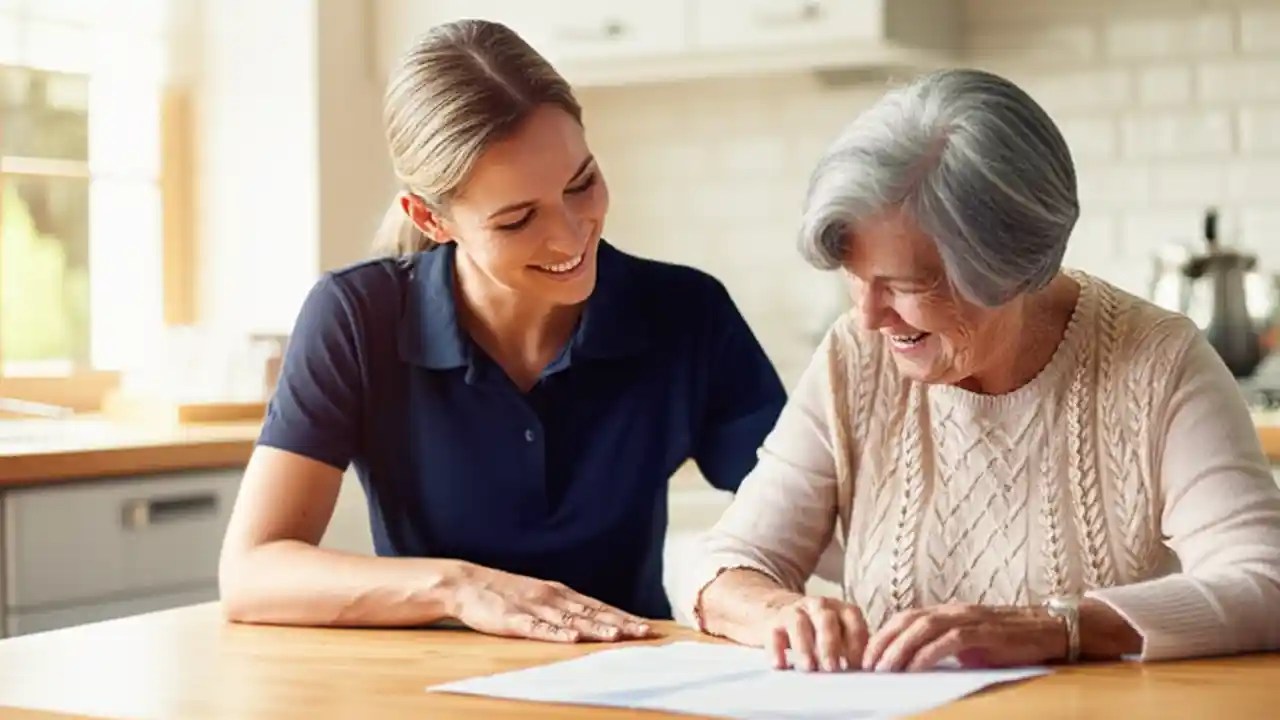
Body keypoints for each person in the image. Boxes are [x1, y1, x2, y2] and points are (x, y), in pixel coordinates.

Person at [681, 68, 1280, 672]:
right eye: (858, 280)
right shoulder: (853, 359)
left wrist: (1059, 627)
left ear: (1013, 266)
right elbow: (725, 564)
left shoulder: (1157, 362)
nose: (868, 317)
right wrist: (779, 612)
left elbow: (1266, 581)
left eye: (906, 287)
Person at [217, 19, 785, 644]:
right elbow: (251, 571)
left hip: (626, 678)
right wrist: (459, 587)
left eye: (582, 184)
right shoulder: (356, 316)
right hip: (421, 691)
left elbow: (802, 513)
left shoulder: (686, 313)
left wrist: (747, 597)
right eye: (517, 219)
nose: (571, 236)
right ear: (430, 218)